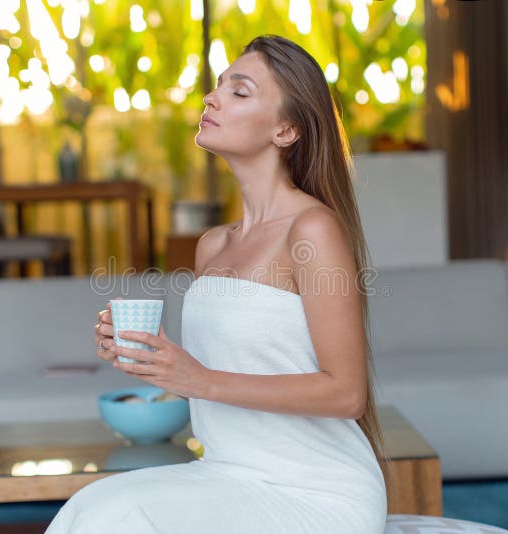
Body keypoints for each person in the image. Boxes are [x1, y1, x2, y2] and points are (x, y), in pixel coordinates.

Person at [46, 34, 389, 533]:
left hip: (316, 492)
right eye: (219, 85)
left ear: (286, 129)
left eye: (240, 91)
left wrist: (197, 379)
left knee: (116, 518)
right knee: (92, 506)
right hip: (228, 474)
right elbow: (230, 376)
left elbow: (347, 394)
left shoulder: (310, 231)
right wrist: (153, 359)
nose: (212, 97)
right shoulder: (212, 246)